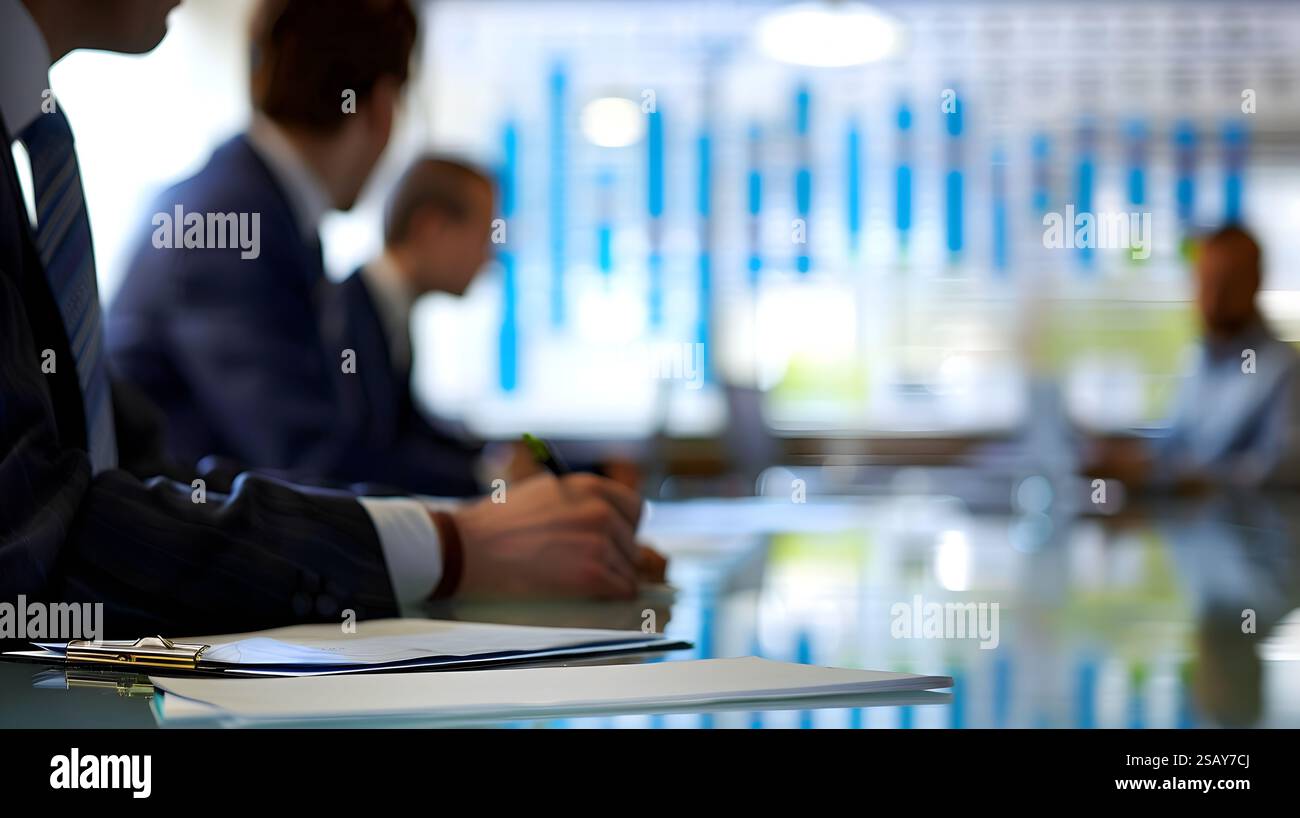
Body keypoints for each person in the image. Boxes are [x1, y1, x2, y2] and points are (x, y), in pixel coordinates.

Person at [1, 0, 659, 640]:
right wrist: (459, 540)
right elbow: (299, 456)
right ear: (379, 107)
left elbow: (142, 474)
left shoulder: (269, 216)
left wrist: (482, 521)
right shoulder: (235, 218)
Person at [319, 157, 500, 497]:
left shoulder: (387, 309)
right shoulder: (344, 314)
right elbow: (356, 458)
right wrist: (488, 477)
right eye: (485, 235)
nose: (488, 257)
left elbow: (409, 431)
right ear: (431, 228)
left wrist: (493, 462)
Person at [1088, 226, 1300, 488]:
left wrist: (1189, 480)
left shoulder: (1284, 368)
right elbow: (1175, 441)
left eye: (1226, 282)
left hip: (1244, 524)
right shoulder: (1199, 359)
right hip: (1189, 524)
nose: (1213, 298)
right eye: (1205, 281)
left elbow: (1283, 469)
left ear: (1256, 281)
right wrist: (1126, 456)